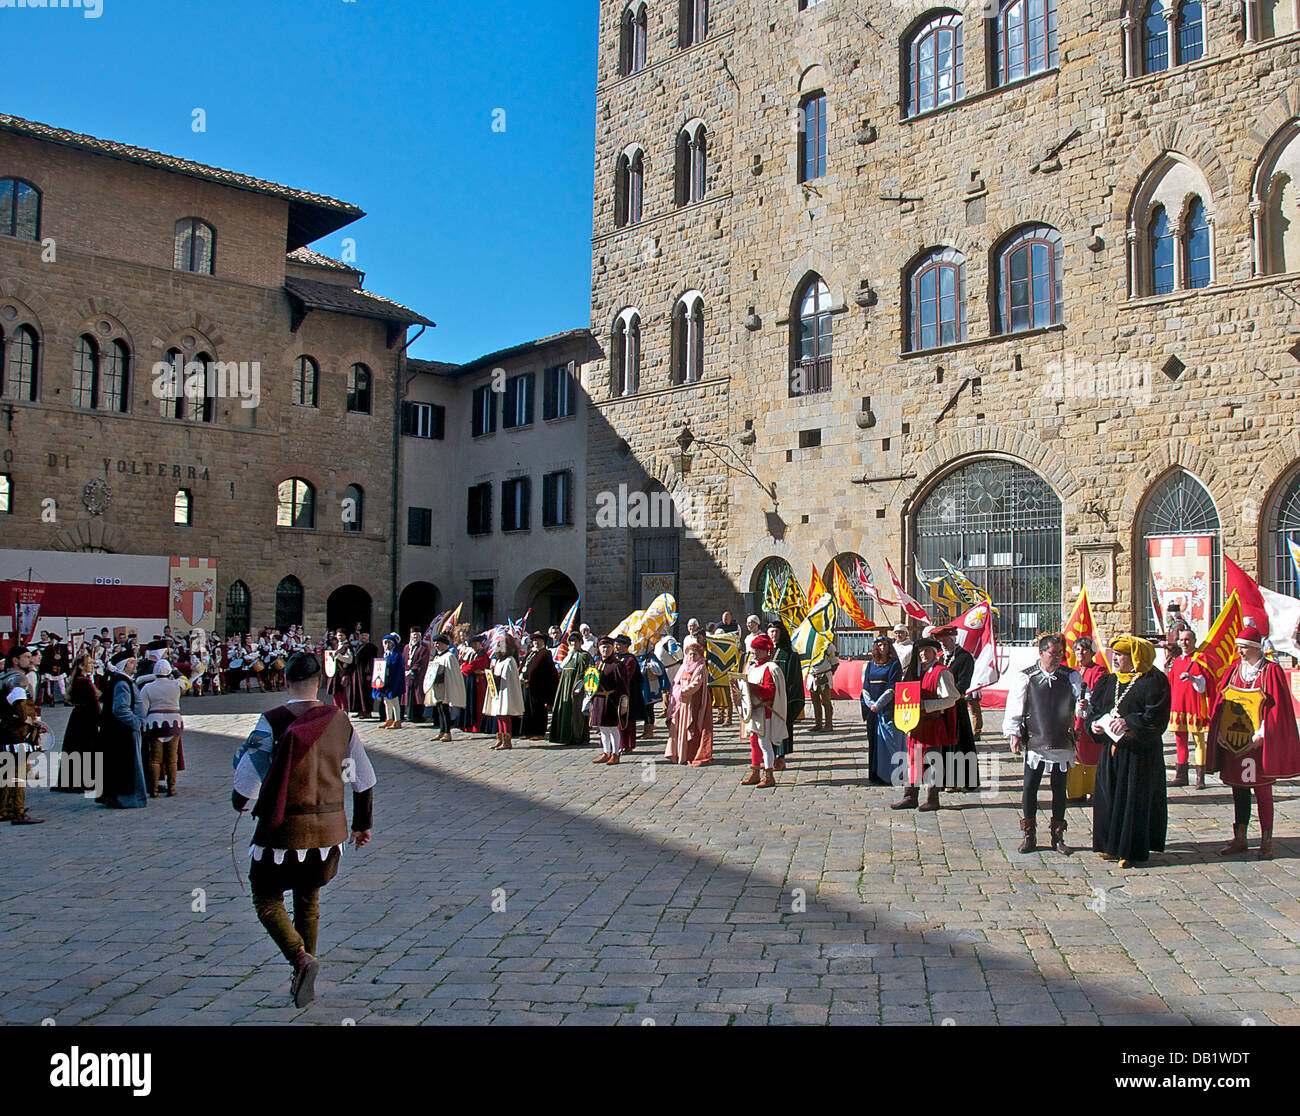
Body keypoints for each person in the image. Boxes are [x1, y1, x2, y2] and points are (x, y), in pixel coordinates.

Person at [232, 651, 375, 1007]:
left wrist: (240, 801)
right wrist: (362, 825)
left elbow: (248, 779)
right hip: (327, 832)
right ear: (322, 682)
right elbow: (363, 778)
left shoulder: (273, 721)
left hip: (282, 830)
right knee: (308, 902)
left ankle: (300, 959)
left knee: (266, 898)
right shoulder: (340, 721)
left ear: (285, 681)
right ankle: (304, 976)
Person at [1205, 623, 1300, 861]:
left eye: (1244, 648)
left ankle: (1266, 841)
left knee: (1263, 792)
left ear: (1256, 648)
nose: (1240, 652)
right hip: (1235, 742)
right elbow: (1223, 704)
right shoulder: (1233, 670)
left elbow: (1276, 707)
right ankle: (1240, 838)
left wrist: (1262, 734)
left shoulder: (1271, 671)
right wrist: (1219, 732)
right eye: (1238, 647)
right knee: (1239, 791)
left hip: (1258, 745)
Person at [1087, 635, 1171, 868]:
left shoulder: (1154, 681)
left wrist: (1129, 723)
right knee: (1109, 795)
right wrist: (1093, 724)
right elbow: (1096, 709)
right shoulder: (1109, 681)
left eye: (1121, 654)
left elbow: (1157, 716)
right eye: (1114, 653)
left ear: (1135, 656)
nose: (1115, 658)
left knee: (1133, 799)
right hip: (1111, 750)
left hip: (1139, 753)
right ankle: (1110, 844)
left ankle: (1131, 850)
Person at [1002, 634, 1083, 854]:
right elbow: (1015, 706)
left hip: (1061, 739)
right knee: (1030, 788)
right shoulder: (1026, 677)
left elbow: (1082, 704)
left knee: (1059, 789)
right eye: (1052, 653)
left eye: (1060, 653)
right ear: (1041, 652)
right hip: (1036, 740)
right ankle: (1030, 835)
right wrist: (1014, 734)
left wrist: (1084, 706)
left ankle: (1057, 837)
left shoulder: (1072, 676)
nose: (1057, 657)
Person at [892, 637, 958, 812]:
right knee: (913, 760)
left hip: (933, 723)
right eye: (921, 651)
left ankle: (932, 798)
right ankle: (910, 796)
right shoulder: (915, 672)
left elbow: (951, 699)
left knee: (934, 761)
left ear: (935, 653)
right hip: (916, 724)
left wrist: (926, 706)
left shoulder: (941, 672)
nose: (923, 654)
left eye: (927, 651)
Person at [96, 650, 148, 810]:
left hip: (119, 731)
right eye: (131, 662)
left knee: (117, 766)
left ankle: (115, 798)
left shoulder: (122, 681)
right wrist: (137, 723)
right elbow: (120, 709)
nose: (135, 664)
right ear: (124, 665)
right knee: (125, 767)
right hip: (123, 732)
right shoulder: (121, 683)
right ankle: (126, 799)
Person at [934, 625, 980, 792]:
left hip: (956, 706)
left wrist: (950, 695)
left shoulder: (964, 657)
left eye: (945, 640)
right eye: (940, 641)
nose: (943, 644)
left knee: (960, 743)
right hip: (941, 708)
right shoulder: (940, 658)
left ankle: (961, 780)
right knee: (944, 744)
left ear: (953, 639)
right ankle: (945, 779)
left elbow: (963, 682)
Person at [0, 646, 44, 825]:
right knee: (18, 773)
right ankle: (18, 812)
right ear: (15, 660)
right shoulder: (18, 679)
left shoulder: (4, 677)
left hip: (5, 732)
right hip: (16, 734)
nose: (30, 659)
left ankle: (4, 809)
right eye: (26, 657)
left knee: (6, 773)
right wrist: (29, 720)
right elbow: (19, 705)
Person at [737, 633, 786, 788]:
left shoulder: (770, 668)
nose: (754, 652)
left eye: (758, 650)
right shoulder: (752, 666)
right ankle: (755, 772)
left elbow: (769, 692)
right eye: (753, 650)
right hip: (754, 711)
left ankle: (769, 775)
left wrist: (750, 687)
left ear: (766, 650)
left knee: (764, 744)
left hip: (765, 712)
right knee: (754, 742)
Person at [1167, 626, 1210, 788]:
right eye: (1182, 640)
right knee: (1180, 741)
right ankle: (1181, 776)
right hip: (1178, 706)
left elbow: (1205, 684)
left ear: (1194, 641)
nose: (1184, 643)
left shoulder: (1201, 659)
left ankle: (1200, 778)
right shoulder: (1177, 661)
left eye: (1187, 640)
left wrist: (1193, 678)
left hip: (1195, 707)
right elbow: (1171, 682)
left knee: (1199, 741)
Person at [860, 636, 904, 786]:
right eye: (880, 645)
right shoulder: (871, 665)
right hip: (873, 711)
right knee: (874, 741)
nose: (883, 648)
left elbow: (892, 687)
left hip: (887, 709)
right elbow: (865, 686)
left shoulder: (894, 665)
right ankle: (875, 774)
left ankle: (891, 775)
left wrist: (879, 704)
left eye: (885, 645)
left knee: (889, 742)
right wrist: (870, 704)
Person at [54, 653, 100, 794]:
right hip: (86, 718)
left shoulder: (80, 680)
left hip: (79, 718)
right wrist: (100, 718)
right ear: (81, 666)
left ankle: (77, 780)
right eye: (90, 663)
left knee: (77, 748)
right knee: (85, 748)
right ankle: (85, 781)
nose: (92, 665)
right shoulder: (84, 682)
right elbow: (93, 704)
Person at [139, 658, 185, 798]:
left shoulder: (148, 688)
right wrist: (176, 671)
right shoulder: (177, 684)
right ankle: (171, 788)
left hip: (154, 723)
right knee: (172, 758)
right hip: (173, 723)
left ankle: (153, 790)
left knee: (154, 759)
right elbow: (185, 681)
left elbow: (143, 708)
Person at [1070, 637, 1109, 800]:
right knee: (1074, 756)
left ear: (1092, 652)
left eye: (1085, 649)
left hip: (1090, 721)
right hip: (1073, 721)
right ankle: (1076, 792)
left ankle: (1094, 792)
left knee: (1092, 755)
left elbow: (1101, 696)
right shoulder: (1071, 671)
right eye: (1078, 649)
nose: (1081, 653)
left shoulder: (1099, 671)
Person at [664, 636, 713, 766]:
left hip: (694, 702)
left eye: (694, 654)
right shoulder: (683, 667)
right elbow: (676, 682)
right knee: (679, 727)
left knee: (692, 726)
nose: (691, 657)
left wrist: (682, 691)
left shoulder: (701, 667)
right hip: (682, 703)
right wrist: (677, 691)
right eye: (689, 654)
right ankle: (679, 754)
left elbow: (697, 684)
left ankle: (690, 754)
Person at [768, 619, 803, 771]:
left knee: (782, 726)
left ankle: (781, 758)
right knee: (768, 727)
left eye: (776, 631)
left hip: (783, 697)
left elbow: (793, 677)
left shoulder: (789, 652)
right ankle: (770, 756)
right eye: (770, 632)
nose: (773, 634)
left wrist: (788, 697)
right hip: (768, 697)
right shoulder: (767, 652)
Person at [589, 635, 630, 765]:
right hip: (598, 700)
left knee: (612, 728)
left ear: (612, 648)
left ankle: (615, 753)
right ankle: (606, 752)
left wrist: (623, 704)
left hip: (611, 700)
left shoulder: (617, 665)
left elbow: (624, 686)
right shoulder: (597, 664)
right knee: (602, 728)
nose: (605, 650)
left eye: (608, 647)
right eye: (603, 647)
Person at [548, 630, 593, 747]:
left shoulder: (584, 656)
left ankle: (576, 737)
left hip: (577, 689)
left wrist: (580, 686)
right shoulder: (568, 657)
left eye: (575, 642)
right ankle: (563, 735)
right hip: (565, 688)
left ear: (580, 642)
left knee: (576, 713)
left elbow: (587, 673)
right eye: (571, 642)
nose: (573, 644)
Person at [424, 633, 466, 741]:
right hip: (438, 687)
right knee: (439, 709)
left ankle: (447, 732)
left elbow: (452, 674)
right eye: (435, 643)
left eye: (438, 643)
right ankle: (441, 731)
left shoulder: (449, 657)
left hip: (445, 687)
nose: (436, 645)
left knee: (445, 709)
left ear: (444, 644)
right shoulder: (437, 656)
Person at [486, 637, 525, 750]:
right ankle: (500, 738)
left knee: (505, 716)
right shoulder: (499, 661)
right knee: (499, 715)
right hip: (498, 691)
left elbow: (509, 679)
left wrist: (497, 678)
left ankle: (507, 740)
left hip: (505, 691)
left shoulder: (509, 661)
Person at [520, 632, 559, 739]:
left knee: (537, 710)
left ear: (543, 642)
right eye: (534, 641)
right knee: (527, 709)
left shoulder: (545, 653)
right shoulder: (530, 653)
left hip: (538, 687)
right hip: (526, 685)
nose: (536, 642)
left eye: (539, 641)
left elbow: (549, 672)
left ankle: (538, 732)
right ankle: (526, 731)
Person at [613, 633, 645, 754]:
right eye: (616, 644)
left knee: (628, 720)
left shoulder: (630, 659)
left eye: (619, 644)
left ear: (626, 646)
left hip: (629, 693)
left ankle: (628, 744)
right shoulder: (615, 658)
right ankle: (618, 744)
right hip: (616, 692)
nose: (617, 647)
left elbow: (626, 676)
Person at [460, 635, 490, 733]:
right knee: (469, 703)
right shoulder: (472, 654)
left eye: (476, 644)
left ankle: (477, 726)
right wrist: (466, 668)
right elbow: (465, 666)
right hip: (470, 681)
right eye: (472, 645)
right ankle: (468, 725)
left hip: (479, 683)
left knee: (477, 704)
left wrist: (466, 668)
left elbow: (470, 667)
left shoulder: (483, 655)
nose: (474, 646)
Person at [374, 634, 406, 730]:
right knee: (386, 701)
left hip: (393, 681)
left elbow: (398, 669)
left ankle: (397, 720)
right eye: (385, 643)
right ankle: (389, 719)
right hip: (385, 681)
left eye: (389, 643)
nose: (387, 645)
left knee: (394, 701)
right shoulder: (385, 654)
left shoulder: (397, 655)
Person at [808, 639, 839, 732]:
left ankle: (828, 724)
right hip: (812, 677)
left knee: (825, 702)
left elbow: (835, 662)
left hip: (824, 676)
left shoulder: (828, 646)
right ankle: (818, 724)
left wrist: (827, 674)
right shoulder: (809, 644)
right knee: (815, 702)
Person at [638, 643, 667, 741]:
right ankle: (646, 730)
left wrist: (649, 665)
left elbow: (659, 670)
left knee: (649, 709)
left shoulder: (651, 657)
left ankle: (649, 731)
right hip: (643, 687)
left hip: (650, 688)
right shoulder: (640, 658)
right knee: (645, 709)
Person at [350, 633, 380, 719]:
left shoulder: (371, 647)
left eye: (365, 636)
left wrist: (369, 673)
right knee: (358, 692)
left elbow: (371, 661)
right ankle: (360, 710)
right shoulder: (359, 646)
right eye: (362, 636)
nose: (363, 637)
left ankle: (367, 711)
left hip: (365, 673)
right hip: (357, 672)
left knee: (366, 692)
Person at [404, 628, 430, 725]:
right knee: (409, 695)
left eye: (417, 636)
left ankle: (418, 716)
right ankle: (410, 715)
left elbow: (422, 662)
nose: (415, 637)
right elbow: (404, 659)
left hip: (418, 675)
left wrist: (413, 670)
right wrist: (406, 670)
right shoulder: (407, 647)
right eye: (413, 636)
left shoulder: (423, 648)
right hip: (408, 674)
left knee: (418, 695)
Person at [325, 630, 354, 712]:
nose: (340, 637)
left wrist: (339, 656)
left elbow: (350, 660)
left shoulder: (347, 646)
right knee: (334, 693)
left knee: (341, 693)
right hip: (334, 672)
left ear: (345, 636)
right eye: (338, 635)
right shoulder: (336, 645)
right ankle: (336, 711)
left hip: (342, 672)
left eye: (341, 635)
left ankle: (344, 711)